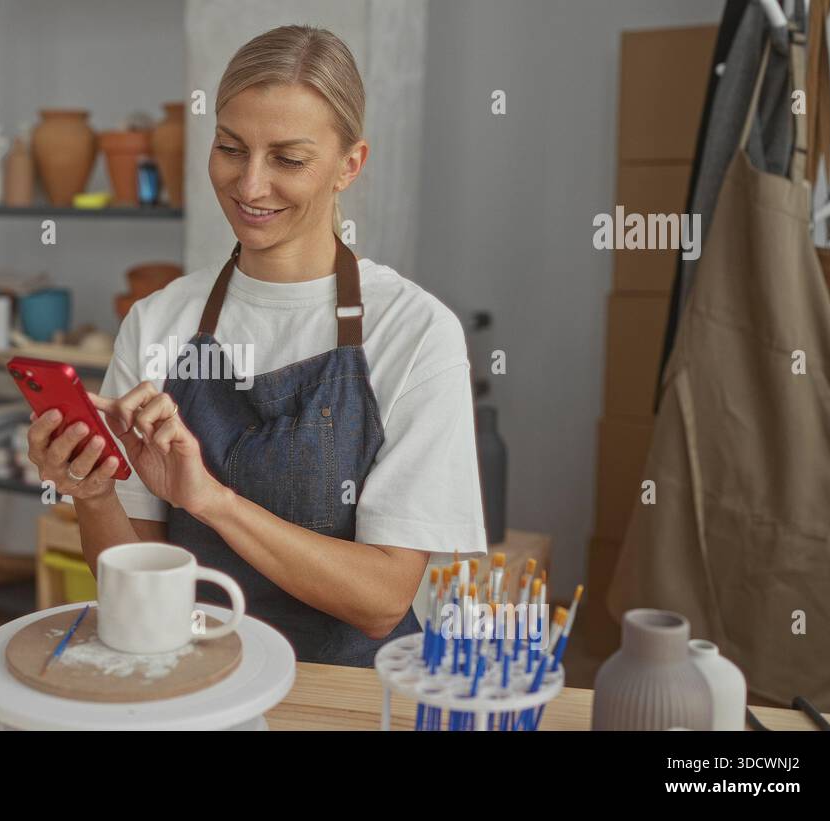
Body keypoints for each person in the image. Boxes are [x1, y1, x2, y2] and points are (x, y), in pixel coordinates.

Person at [25, 24, 487, 667]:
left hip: (347, 694)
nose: (249, 185)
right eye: (230, 148)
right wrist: (92, 491)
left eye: (288, 159)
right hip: (194, 677)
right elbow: (125, 576)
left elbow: (382, 598)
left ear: (349, 165)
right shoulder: (159, 321)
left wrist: (210, 501)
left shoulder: (413, 331)